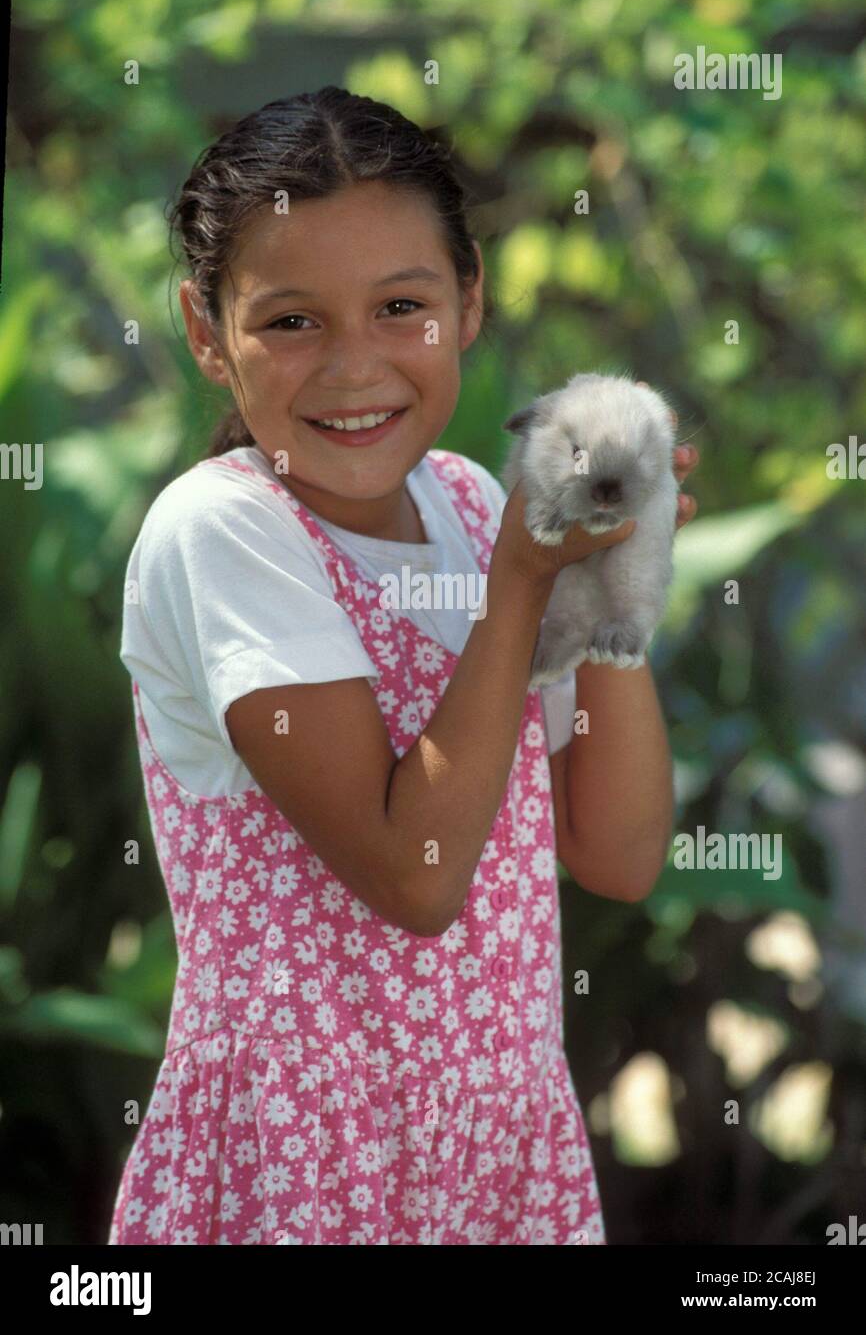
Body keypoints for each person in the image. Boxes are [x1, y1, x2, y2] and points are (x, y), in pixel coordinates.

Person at [108, 86, 699, 1245]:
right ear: (201, 330)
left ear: (467, 300)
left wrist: (611, 574)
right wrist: (523, 585)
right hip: (302, 1166)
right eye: (290, 321)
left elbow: (618, 855)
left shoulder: (479, 507)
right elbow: (415, 874)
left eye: (399, 307)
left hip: (497, 1159)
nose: (352, 365)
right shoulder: (218, 533)